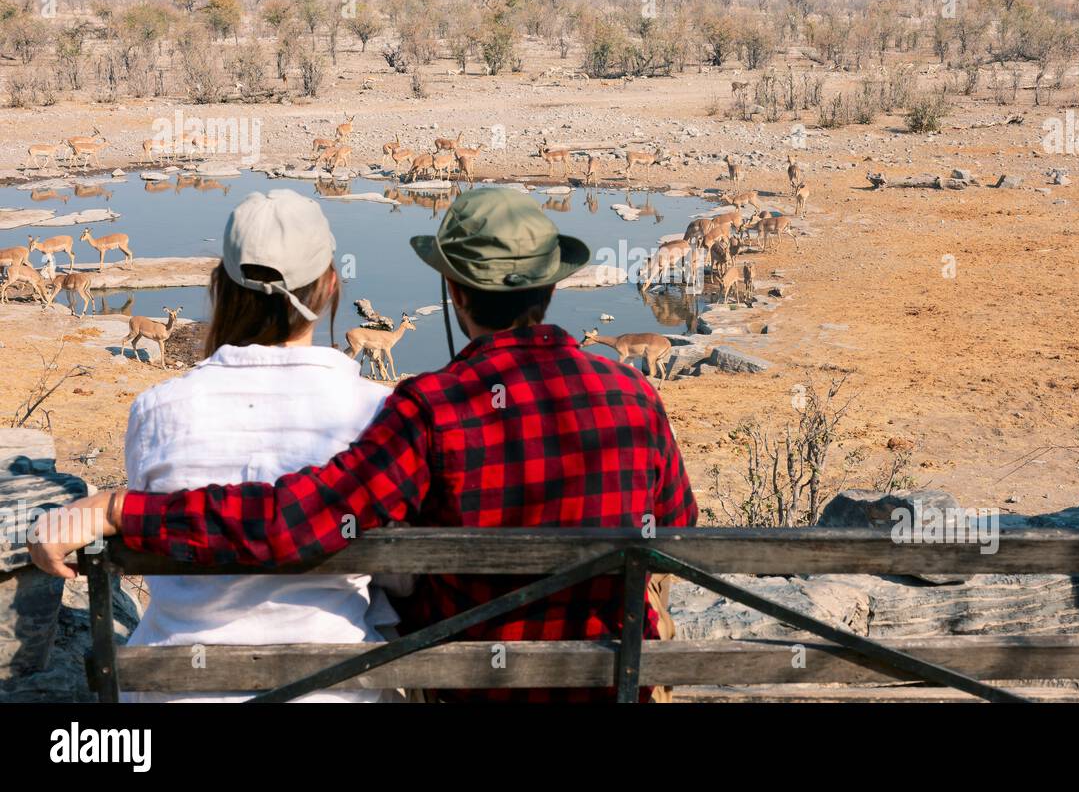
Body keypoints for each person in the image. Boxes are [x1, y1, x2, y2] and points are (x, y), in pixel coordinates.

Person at [33, 187, 697, 702]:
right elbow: (678, 530)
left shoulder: (429, 408)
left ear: (458, 295)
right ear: (552, 288)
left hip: (473, 687)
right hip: (611, 680)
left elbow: (291, 522)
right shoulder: (635, 396)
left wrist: (124, 509)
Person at [117, 189, 399, 702]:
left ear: (220, 285)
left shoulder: (158, 410)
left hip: (179, 692)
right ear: (330, 286)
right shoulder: (377, 416)